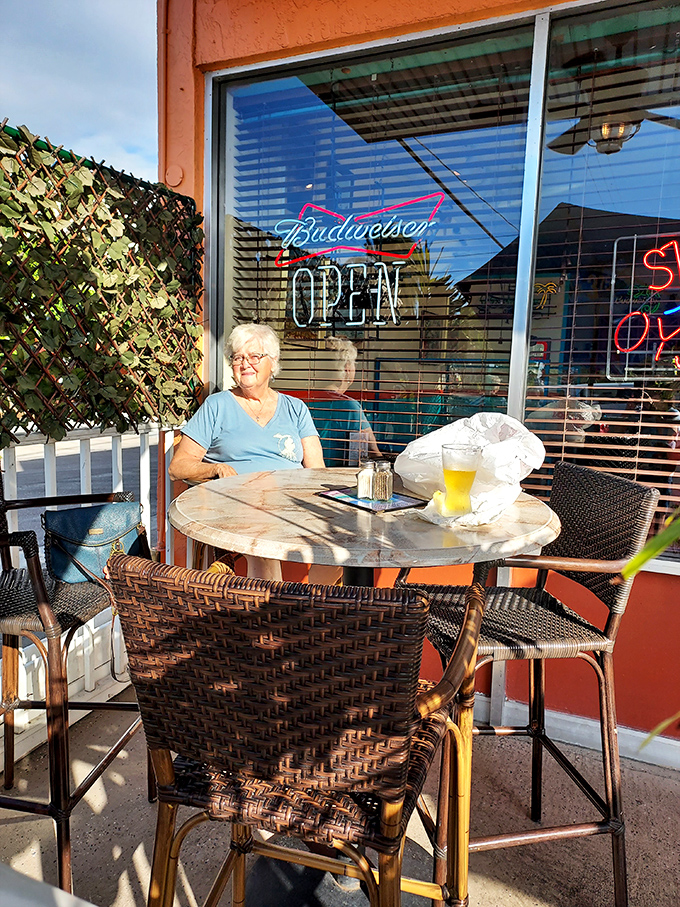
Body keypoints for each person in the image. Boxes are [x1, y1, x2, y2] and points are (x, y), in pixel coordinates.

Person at [169, 322, 335, 581]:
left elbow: (316, 471)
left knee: (340, 536)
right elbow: (177, 467)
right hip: (241, 504)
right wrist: (215, 469)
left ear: (273, 362)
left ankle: (310, 600)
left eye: (254, 356)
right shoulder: (217, 406)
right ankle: (274, 603)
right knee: (263, 537)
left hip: (292, 503)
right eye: (238, 358)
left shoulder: (295, 408)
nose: (245, 364)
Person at [306, 336, 382, 465]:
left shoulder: (305, 401)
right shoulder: (349, 407)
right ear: (347, 369)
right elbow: (373, 452)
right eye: (354, 364)